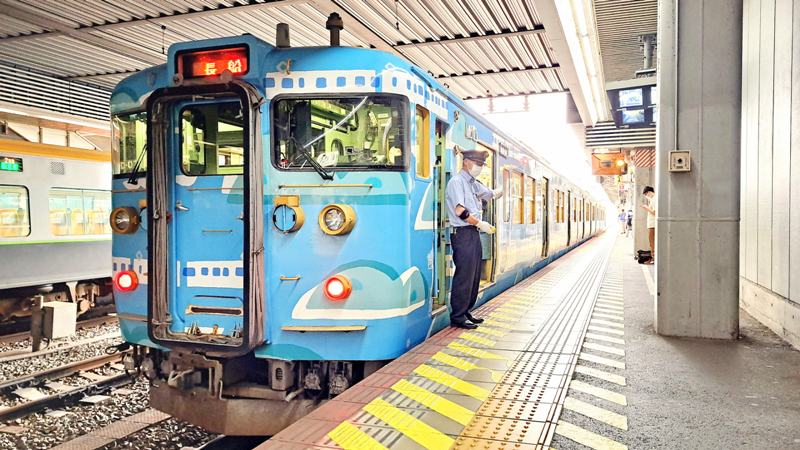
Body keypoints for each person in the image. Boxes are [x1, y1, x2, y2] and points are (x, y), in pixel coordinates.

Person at [445, 148, 503, 329]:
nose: (479, 168)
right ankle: (458, 316)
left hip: (472, 233)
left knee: (474, 275)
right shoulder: (457, 182)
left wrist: (498, 191)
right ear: (466, 162)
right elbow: (460, 212)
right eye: (477, 164)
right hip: (463, 233)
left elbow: (489, 193)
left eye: (481, 165)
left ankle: (466, 311)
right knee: (464, 276)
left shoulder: (472, 183)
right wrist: (479, 223)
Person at [641, 186, 656, 264]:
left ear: (649, 192)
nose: (646, 196)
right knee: (652, 242)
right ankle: (653, 258)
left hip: (653, 225)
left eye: (646, 194)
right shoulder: (653, 200)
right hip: (652, 225)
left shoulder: (654, 199)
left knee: (652, 242)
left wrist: (646, 208)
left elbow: (655, 212)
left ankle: (654, 259)